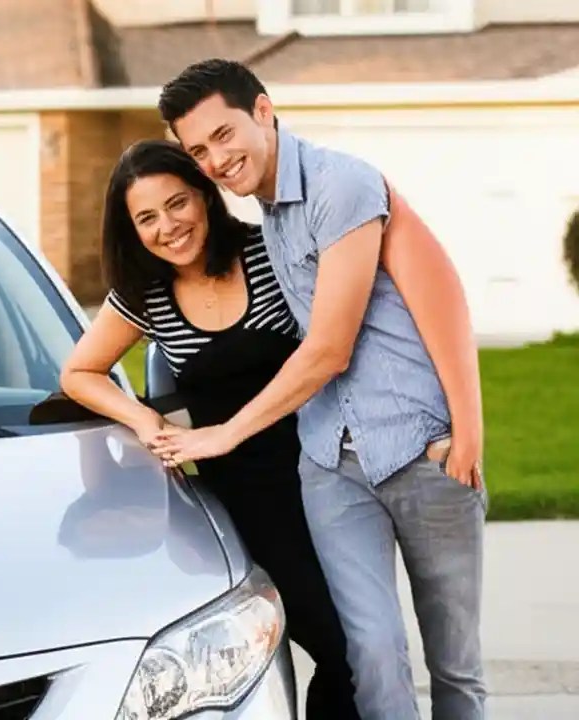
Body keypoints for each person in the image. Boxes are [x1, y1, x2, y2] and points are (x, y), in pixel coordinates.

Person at [149, 58, 487, 720]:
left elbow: (338, 345)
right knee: (371, 652)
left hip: (422, 451)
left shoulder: (344, 185)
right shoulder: (269, 218)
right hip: (331, 463)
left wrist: (467, 426)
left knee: (456, 662)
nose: (215, 159)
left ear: (264, 112)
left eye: (223, 135)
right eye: (197, 150)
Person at [59, 139, 362, 720]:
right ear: (130, 228)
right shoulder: (147, 294)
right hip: (249, 502)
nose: (168, 227)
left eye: (177, 203)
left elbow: (335, 344)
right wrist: (143, 418)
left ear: (204, 195)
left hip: (328, 478)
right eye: (146, 217)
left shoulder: (270, 252)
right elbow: (79, 373)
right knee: (339, 646)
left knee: (361, 646)